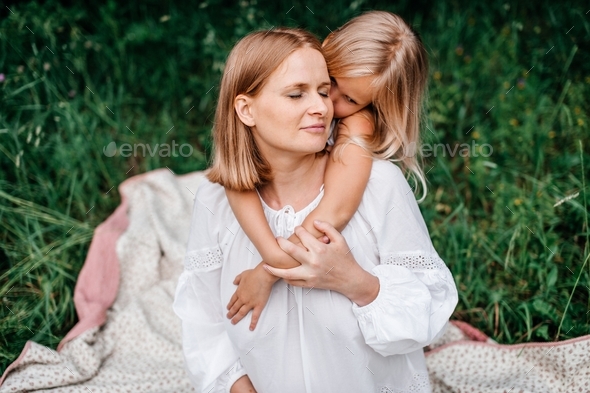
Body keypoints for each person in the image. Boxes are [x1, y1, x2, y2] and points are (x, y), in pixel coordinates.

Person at [173, 25, 458, 393]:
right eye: (296, 93)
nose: (323, 106)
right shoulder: (216, 200)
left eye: (325, 92)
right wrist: (238, 386)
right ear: (246, 109)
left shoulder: (377, 185)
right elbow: (204, 320)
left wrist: (355, 282)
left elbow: (426, 313)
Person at [224, 11, 431, 332]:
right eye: (330, 82)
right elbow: (235, 174)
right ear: (329, 45)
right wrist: (271, 253)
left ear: (373, 104)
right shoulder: (292, 86)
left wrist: (268, 270)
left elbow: (334, 210)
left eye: (349, 98)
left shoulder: (357, 127)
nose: (327, 103)